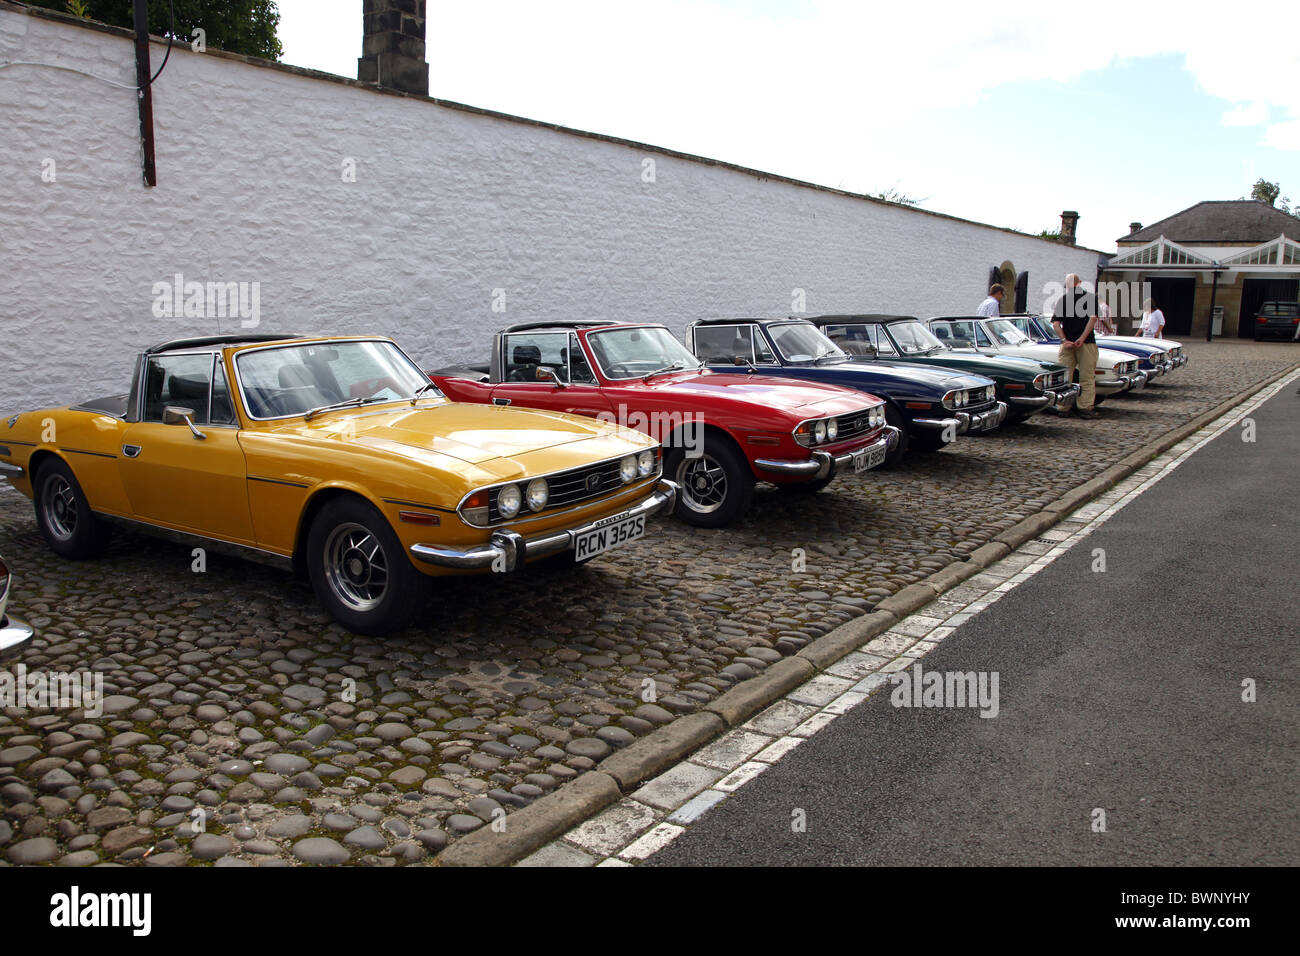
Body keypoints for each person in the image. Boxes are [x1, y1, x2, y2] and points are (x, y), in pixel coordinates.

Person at [1051, 274, 1100, 420]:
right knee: (1087, 377)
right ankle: (1085, 408)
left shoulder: (1063, 300)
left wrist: (1064, 340)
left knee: (1065, 377)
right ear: (1080, 283)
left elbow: (1055, 324)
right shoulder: (1090, 298)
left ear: (1066, 286)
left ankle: (1063, 407)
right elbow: (1093, 319)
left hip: (1067, 344)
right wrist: (1082, 338)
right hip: (1087, 343)